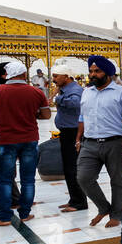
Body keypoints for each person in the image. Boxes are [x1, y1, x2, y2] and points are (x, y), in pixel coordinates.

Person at [0, 60, 50, 226]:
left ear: (7, 75)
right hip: (29, 140)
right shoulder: (36, 92)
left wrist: (0, 115)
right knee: (28, 180)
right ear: (24, 74)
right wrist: (31, 115)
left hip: (5, 140)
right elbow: (46, 115)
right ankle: (25, 213)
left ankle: (4, 217)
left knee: (4, 179)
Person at [76, 55, 122, 228]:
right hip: (90, 142)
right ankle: (103, 207)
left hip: (115, 142)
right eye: (91, 71)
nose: (92, 74)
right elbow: (82, 117)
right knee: (83, 178)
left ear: (107, 73)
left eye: (97, 71)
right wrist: (78, 137)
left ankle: (117, 214)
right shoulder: (86, 92)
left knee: (118, 180)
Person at [48, 64, 86, 213]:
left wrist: (58, 99)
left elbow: (75, 103)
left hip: (73, 132)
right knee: (68, 167)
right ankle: (74, 199)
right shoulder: (65, 90)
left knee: (73, 168)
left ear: (66, 76)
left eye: (56, 76)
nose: (54, 79)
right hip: (67, 131)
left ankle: (79, 202)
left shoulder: (75, 90)